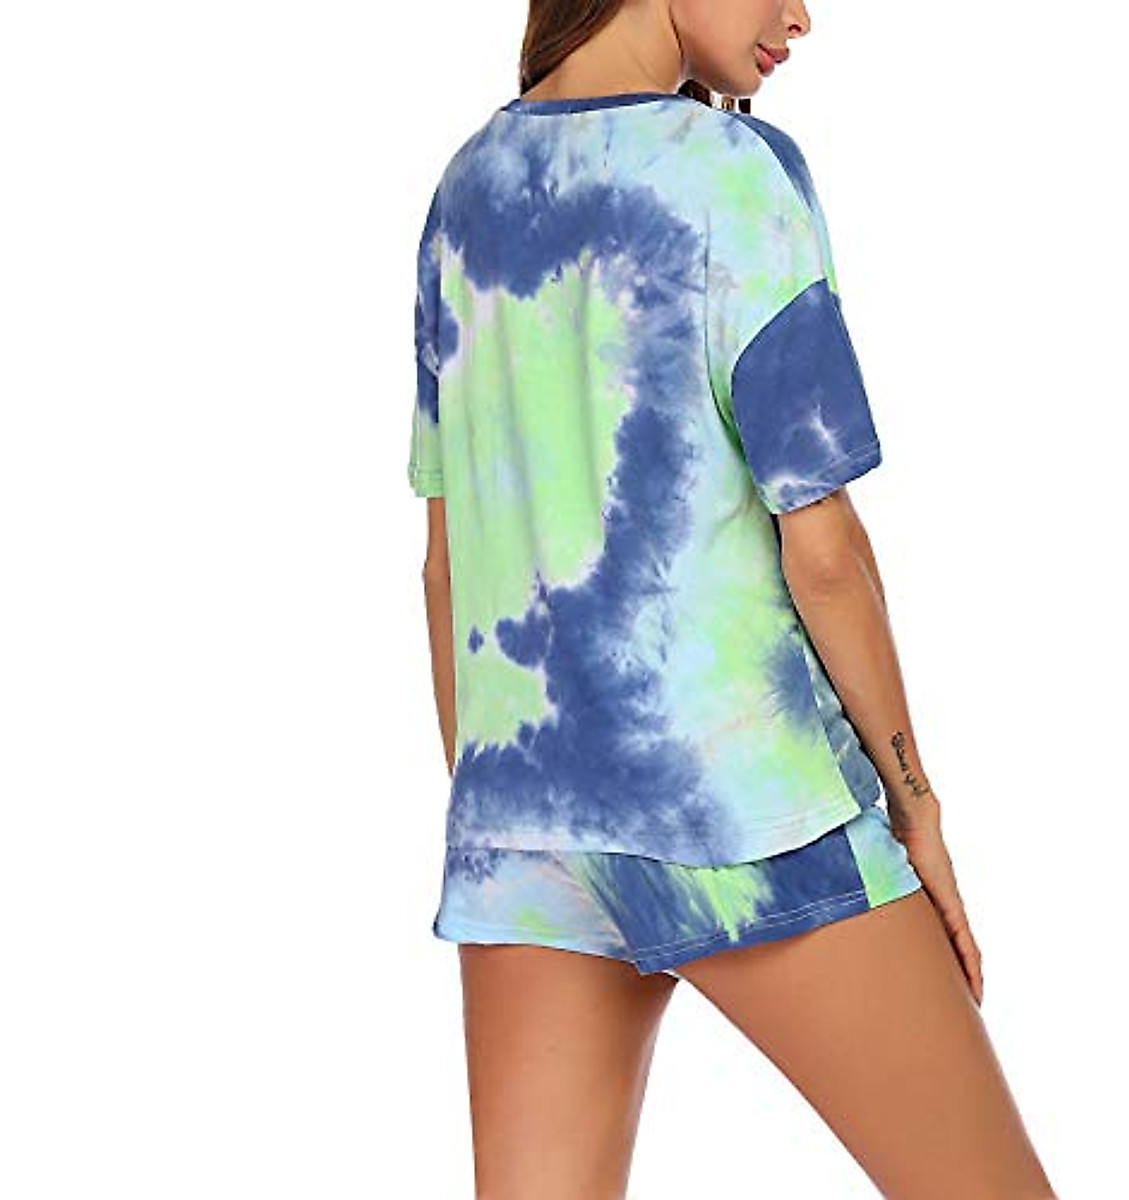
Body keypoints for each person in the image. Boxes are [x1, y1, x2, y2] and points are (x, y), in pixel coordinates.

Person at [406, 1, 1057, 1195]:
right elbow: (824, 551)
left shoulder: (467, 188)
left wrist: (509, 825)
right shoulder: (731, 172)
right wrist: (916, 806)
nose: (800, 14)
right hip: (750, 815)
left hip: (527, 837)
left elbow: (446, 567)